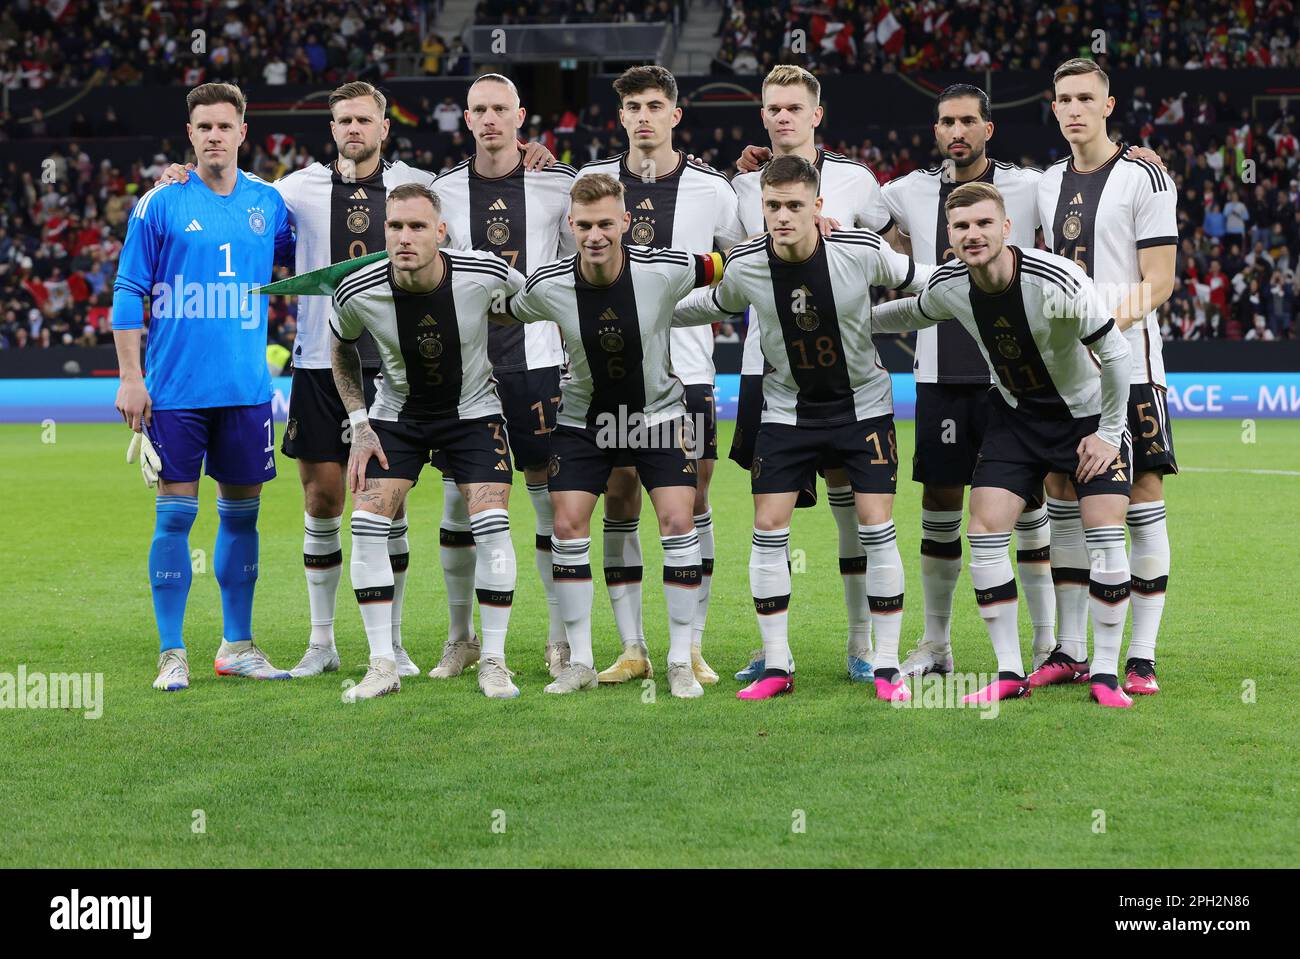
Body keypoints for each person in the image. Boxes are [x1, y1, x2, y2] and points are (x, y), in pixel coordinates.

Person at [156, 81, 555, 681]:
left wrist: (532, 153)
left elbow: (472, 238)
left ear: (383, 127)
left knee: (387, 509)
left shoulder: (422, 187)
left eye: (364, 120)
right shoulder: (293, 191)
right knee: (321, 501)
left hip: (402, 368)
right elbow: (236, 201)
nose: (353, 129)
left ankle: (391, 646)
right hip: (323, 360)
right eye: (343, 120)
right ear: (332, 126)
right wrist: (182, 177)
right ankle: (322, 642)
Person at [873, 182, 1137, 707]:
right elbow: (912, 315)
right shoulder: (949, 284)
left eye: (983, 224)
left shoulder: (1056, 280)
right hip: (1014, 419)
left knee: (1105, 536)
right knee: (985, 529)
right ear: (950, 235)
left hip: (1083, 420)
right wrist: (854, 323)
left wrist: (1108, 434)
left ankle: (1104, 671)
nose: (973, 235)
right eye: (962, 226)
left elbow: (1117, 353)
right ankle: (1011, 670)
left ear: (1006, 227)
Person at [676, 155, 929, 701]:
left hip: (862, 407)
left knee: (874, 524)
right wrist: (641, 303)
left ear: (819, 208)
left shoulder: (860, 251)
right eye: (773, 206)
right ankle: (776, 664)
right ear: (761, 208)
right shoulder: (746, 263)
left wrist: (985, 276)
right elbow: (708, 304)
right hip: (786, 411)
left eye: (795, 206)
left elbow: (922, 283)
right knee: (767, 527)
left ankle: (885, 665)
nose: (783, 216)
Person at [502, 173, 725, 699]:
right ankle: (580, 660)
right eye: (583, 225)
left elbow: (726, 263)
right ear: (570, 226)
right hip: (584, 423)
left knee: (677, 519)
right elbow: (501, 304)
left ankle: (677, 660)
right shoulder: (548, 285)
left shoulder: (667, 268)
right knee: (568, 525)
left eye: (606, 223)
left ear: (626, 222)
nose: (595, 234)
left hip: (659, 418)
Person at [112, 82, 295, 692]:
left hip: (246, 392)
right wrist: (132, 378)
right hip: (177, 394)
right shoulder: (159, 203)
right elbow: (128, 291)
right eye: (203, 127)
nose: (214, 135)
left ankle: (237, 646)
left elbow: (310, 250)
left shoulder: (268, 205)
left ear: (243, 133)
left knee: (243, 519)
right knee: (173, 522)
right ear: (189, 135)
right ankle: (172, 652)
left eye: (224, 126)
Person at [878, 83, 1057, 677]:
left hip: (1018, 378)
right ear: (936, 131)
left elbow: (1091, 176)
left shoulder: (1030, 186)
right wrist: (758, 165)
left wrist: (1138, 155)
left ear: (988, 128)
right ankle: (936, 644)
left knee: (1030, 508)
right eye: (946, 121)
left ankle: (1045, 644)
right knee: (939, 502)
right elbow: (835, 210)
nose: (956, 131)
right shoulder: (905, 192)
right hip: (940, 375)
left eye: (967, 121)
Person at [575, 65, 745, 688]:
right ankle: (631, 646)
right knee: (618, 500)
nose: (642, 116)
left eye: (654, 105)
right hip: (611, 378)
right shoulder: (592, 185)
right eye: (632, 107)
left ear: (675, 115)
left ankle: (692, 646)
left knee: (692, 503)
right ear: (619, 117)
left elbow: (738, 264)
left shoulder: (713, 190)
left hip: (691, 374)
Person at [727, 65, 894, 685]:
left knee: (855, 511)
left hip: (844, 379)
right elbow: (727, 263)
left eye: (794, 107)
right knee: (773, 517)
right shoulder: (741, 184)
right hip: (766, 370)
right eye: (773, 108)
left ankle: (862, 642)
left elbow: (888, 244)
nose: (783, 117)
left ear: (817, 114)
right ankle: (774, 649)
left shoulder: (855, 181)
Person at [329, 183, 527, 701]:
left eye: (417, 226)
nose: (404, 237)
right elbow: (342, 347)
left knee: (490, 523)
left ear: (441, 232)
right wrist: (360, 422)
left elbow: (529, 304)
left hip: (473, 413)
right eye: (395, 226)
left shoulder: (483, 273)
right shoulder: (357, 289)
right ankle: (382, 664)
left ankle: (495, 661)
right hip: (397, 417)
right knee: (368, 524)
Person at [1037, 59, 1178, 695]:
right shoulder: (1044, 184)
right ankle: (1069, 649)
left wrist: (1100, 331)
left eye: (1085, 99)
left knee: (1143, 493)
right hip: (1064, 377)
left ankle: (1141, 656)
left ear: (1108, 105)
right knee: (1062, 494)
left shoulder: (1144, 177)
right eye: (1064, 99)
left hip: (1133, 367)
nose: (1073, 109)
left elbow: (1160, 281)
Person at [431, 73, 577, 682]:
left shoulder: (557, 184)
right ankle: (461, 637)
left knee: (548, 503)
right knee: (457, 501)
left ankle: (556, 637)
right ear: (466, 119)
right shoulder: (440, 191)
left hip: (539, 362)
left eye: (500, 109)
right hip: (466, 369)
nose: (489, 119)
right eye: (478, 110)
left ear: (521, 116)